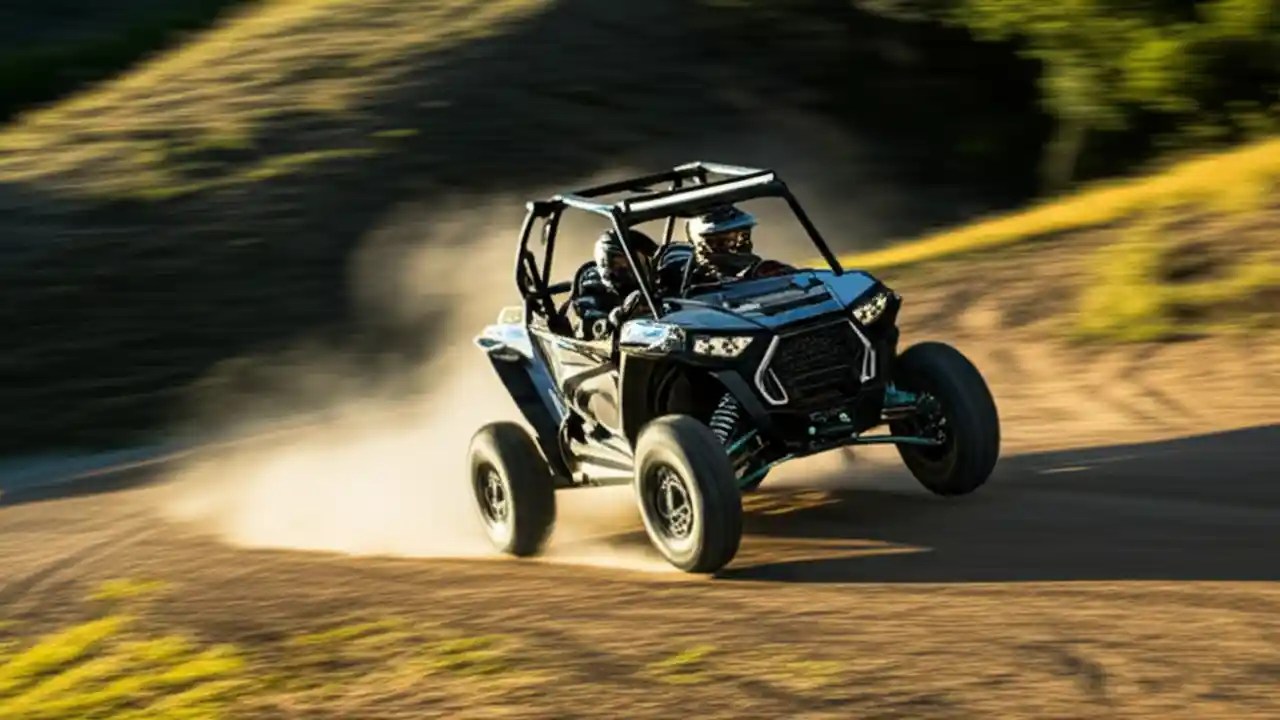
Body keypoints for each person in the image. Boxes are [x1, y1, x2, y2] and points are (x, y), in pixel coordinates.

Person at [565, 228, 658, 341]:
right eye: (623, 263)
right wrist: (617, 317)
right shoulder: (593, 287)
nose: (637, 266)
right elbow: (594, 330)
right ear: (607, 263)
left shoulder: (651, 282)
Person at [681, 205, 793, 290]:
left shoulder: (764, 270)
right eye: (722, 240)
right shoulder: (690, 279)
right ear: (703, 243)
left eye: (741, 235)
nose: (738, 244)